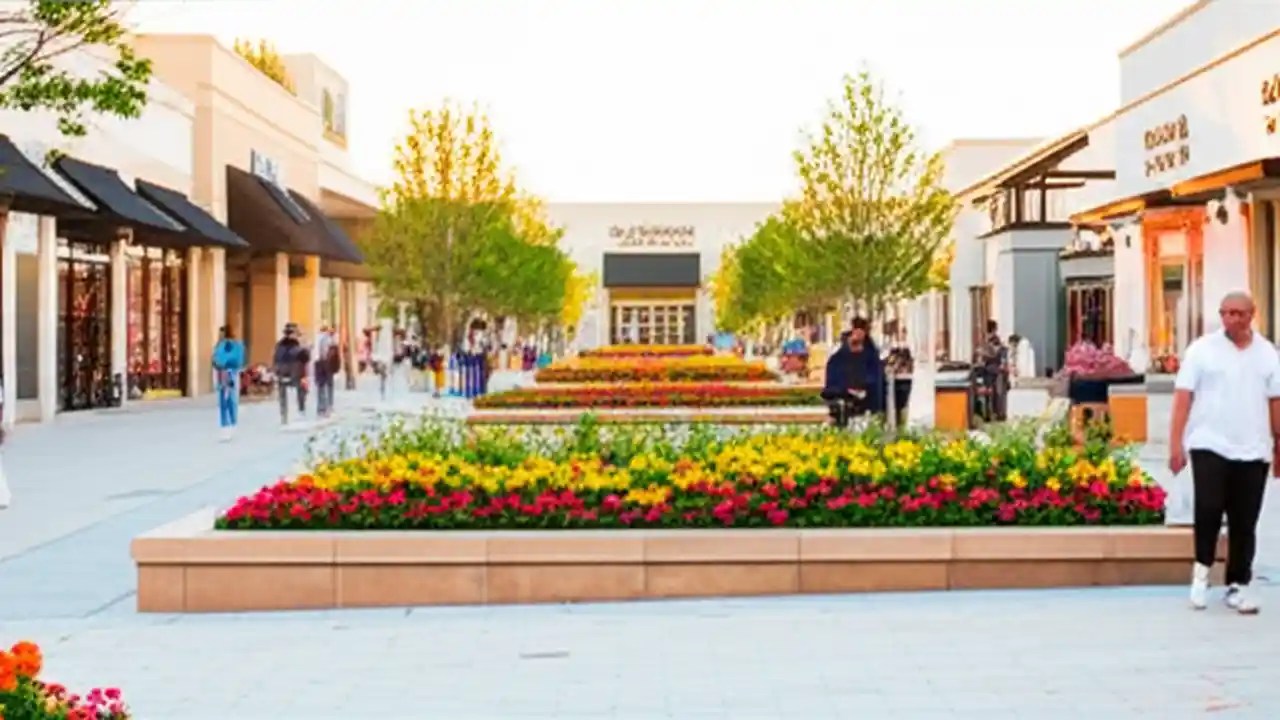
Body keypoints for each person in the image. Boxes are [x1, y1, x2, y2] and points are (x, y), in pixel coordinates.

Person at [1170, 291, 1279, 615]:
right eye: (1225, 313)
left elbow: (1275, 402)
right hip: (1209, 442)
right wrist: (1176, 442)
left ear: (1251, 315)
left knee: (1245, 520)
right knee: (1209, 508)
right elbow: (1182, 397)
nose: (1231, 319)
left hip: (1253, 446)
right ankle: (1201, 574)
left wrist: (1278, 444)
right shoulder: (1202, 350)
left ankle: (1239, 584)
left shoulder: (1267, 354)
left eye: (1237, 313)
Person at [821, 319, 884, 427]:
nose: (857, 347)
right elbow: (831, 385)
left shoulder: (871, 357)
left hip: (866, 402)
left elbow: (876, 381)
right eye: (854, 343)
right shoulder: (837, 359)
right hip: (842, 398)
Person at [211, 326, 246, 440]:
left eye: (221, 333)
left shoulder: (223, 345)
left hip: (226, 373)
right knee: (231, 398)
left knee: (225, 399)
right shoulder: (237, 345)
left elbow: (216, 360)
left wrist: (219, 364)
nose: (220, 336)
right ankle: (231, 423)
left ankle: (226, 424)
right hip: (231, 373)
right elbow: (240, 360)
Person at [273, 323, 307, 425]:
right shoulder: (297, 346)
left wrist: (276, 370)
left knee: (283, 392)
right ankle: (300, 409)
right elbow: (306, 358)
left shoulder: (279, 346)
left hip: (282, 372)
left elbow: (275, 359)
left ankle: (284, 414)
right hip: (295, 373)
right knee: (301, 389)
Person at [314, 325, 339, 418]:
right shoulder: (329, 340)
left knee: (321, 386)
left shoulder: (317, 338)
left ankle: (321, 408)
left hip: (318, 364)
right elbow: (331, 354)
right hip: (326, 364)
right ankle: (329, 407)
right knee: (329, 386)